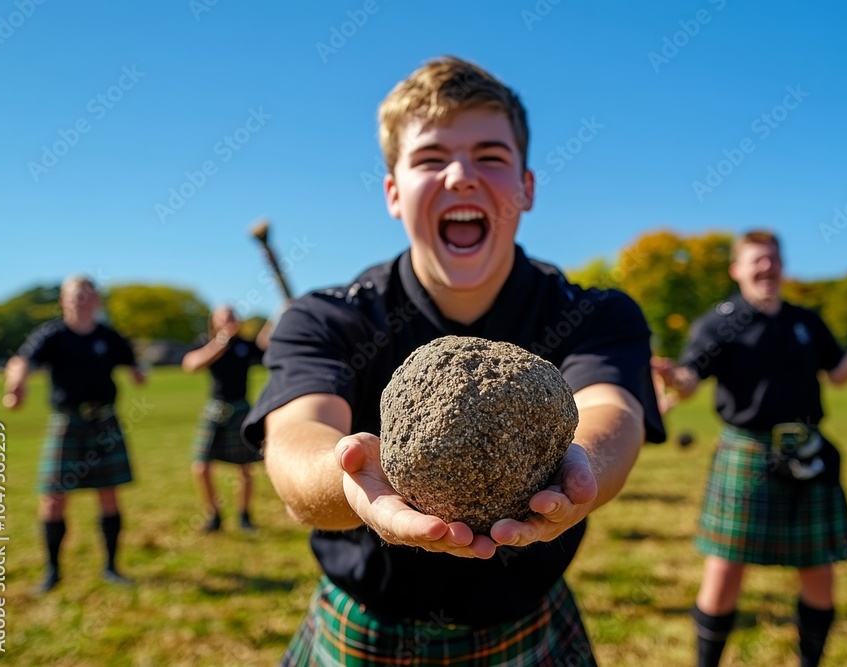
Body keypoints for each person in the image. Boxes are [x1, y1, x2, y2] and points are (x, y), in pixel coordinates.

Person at [241, 55, 666, 666]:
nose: (461, 176)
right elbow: (295, 441)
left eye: (490, 156)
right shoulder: (328, 316)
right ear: (392, 192)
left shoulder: (593, 313)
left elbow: (610, 412)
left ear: (526, 186)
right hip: (366, 624)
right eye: (431, 158)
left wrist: (580, 471)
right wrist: (353, 478)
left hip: (527, 623)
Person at [652, 230, 847, 667]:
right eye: (756, 261)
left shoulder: (805, 320)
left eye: (773, 259)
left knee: (819, 569)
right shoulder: (719, 321)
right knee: (725, 570)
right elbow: (691, 378)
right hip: (746, 452)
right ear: (737, 270)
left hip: (808, 451)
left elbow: (838, 374)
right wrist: (673, 378)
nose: (766, 268)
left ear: (783, 266)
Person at [2, 275, 146, 592]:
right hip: (68, 423)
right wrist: (17, 383)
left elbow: (133, 363)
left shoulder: (108, 336)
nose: (80, 300)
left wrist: (138, 373)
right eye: (74, 295)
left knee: (108, 493)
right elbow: (21, 360)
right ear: (63, 301)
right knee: (53, 499)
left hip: (104, 421)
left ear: (96, 301)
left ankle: (111, 567)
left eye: (86, 295)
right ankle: (52, 572)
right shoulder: (52, 335)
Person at [181, 305, 271, 532]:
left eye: (233, 316)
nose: (230, 320)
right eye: (224, 317)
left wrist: (275, 321)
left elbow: (268, 351)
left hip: (241, 408)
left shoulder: (244, 344)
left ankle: (244, 516)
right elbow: (190, 365)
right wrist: (220, 342)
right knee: (201, 466)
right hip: (216, 408)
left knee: (245, 468)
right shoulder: (206, 341)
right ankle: (214, 515)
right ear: (214, 322)